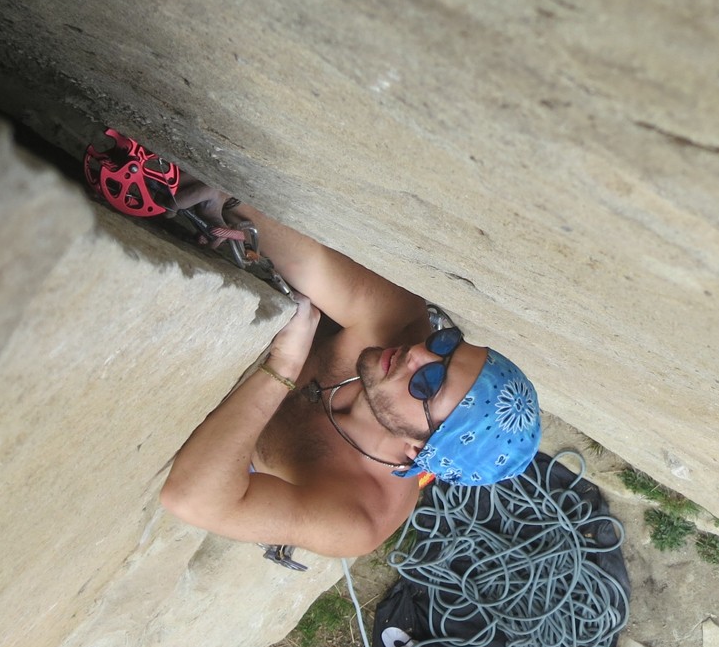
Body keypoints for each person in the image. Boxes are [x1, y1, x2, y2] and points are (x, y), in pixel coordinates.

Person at [160, 198, 541, 558]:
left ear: (414, 451)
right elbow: (280, 240)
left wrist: (283, 369)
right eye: (447, 345)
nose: (419, 353)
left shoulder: (359, 517)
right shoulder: (400, 329)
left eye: (429, 383)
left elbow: (192, 499)